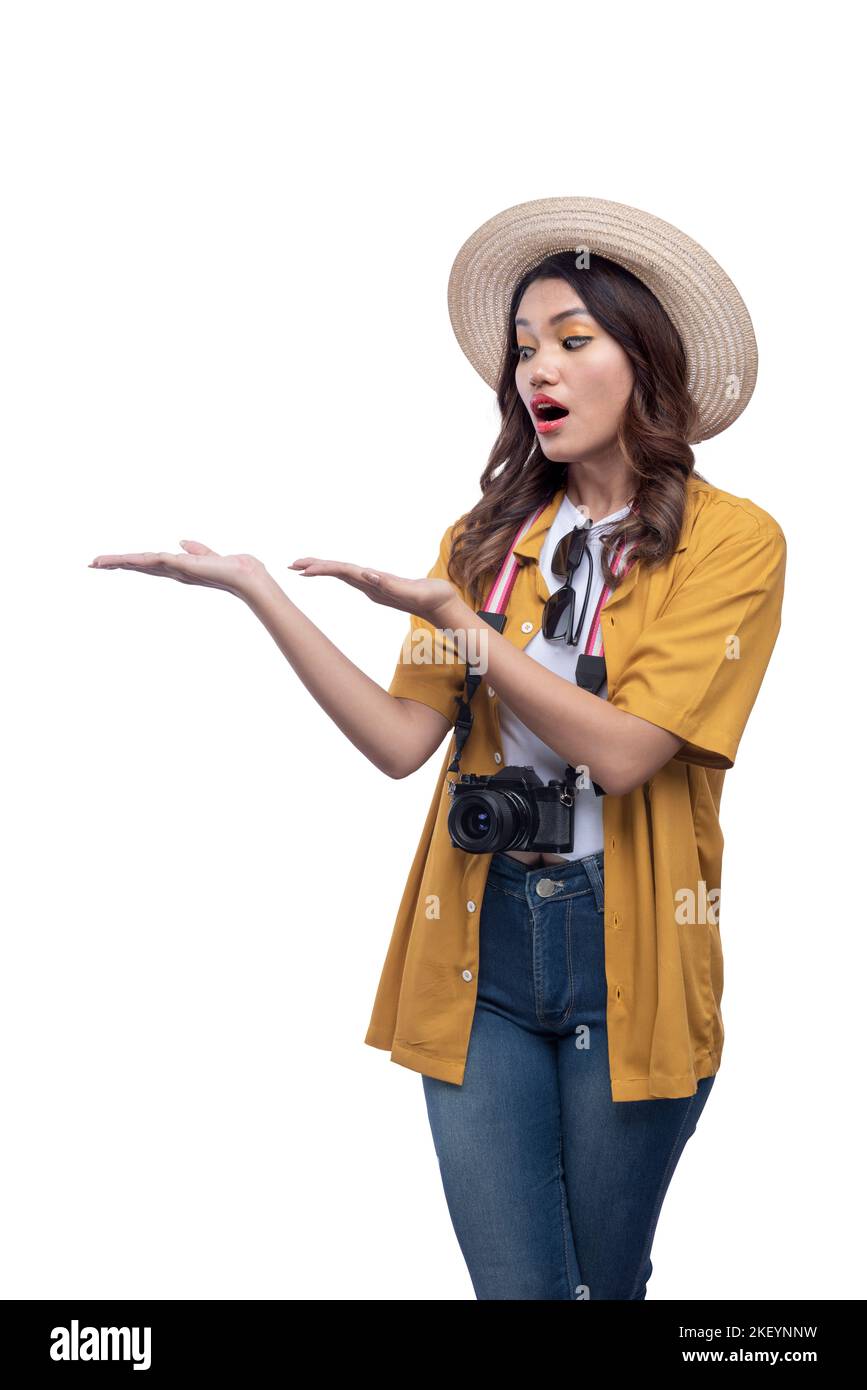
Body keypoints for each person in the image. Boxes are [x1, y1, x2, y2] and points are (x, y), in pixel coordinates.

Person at [89, 196, 786, 1300]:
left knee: (605, 1283)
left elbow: (629, 753)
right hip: (480, 947)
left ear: (642, 359)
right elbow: (400, 740)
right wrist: (260, 592)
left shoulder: (731, 539)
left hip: (634, 951)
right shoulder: (484, 543)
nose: (535, 372)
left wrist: (464, 629)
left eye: (570, 340)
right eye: (523, 350)